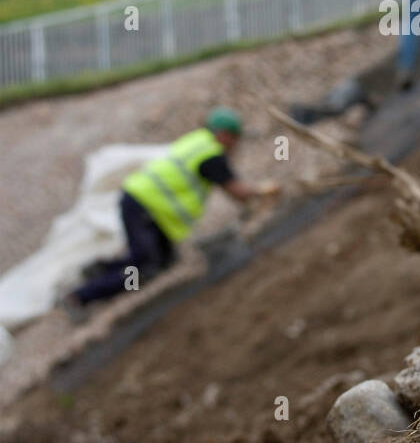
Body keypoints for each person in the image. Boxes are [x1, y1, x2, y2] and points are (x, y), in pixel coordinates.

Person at [62, 108, 280, 319]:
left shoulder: (197, 141)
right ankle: (80, 297)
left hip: (146, 206)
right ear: (223, 135)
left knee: (162, 260)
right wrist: (264, 190)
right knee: (144, 265)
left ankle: (100, 269)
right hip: (145, 206)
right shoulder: (211, 155)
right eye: (234, 138)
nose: (235, 145)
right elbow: (238, 193)